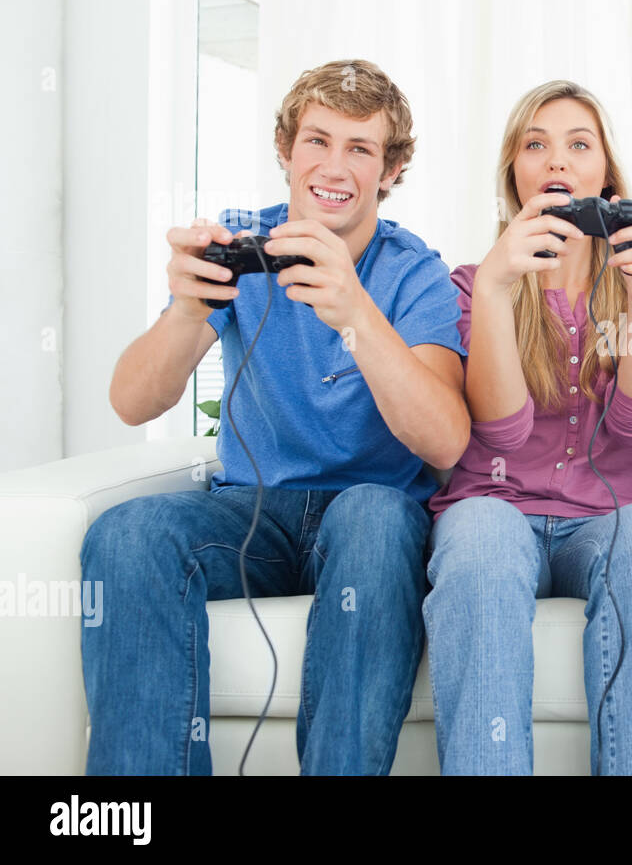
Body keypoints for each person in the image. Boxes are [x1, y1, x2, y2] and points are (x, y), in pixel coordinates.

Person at [81, 59, 470, 775]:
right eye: (317, 140)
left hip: (368, 513)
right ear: (286, 151)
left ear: (392, 170)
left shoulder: (414, 272)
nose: (334, 165)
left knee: (380, 521)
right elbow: (132, 401)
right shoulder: (240, 249)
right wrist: (190, 311)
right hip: (251, 513)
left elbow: (446, 439)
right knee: (127, 533)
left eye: (361, 148)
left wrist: (355, 310)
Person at [423, 80, 632, 776]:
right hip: (494, 507)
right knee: (481, 537)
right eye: (536, 145)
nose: (557, 162)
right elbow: (505, 431)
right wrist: (496, 287)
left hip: (604, 517)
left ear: (605, 176)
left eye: (579, 146)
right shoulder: (469, 283)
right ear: (513, 175)